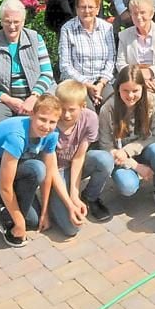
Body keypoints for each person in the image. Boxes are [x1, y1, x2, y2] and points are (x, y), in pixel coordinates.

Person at [0, 95, 62, 247]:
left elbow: (49, 173)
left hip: (12, 165)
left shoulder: (51, 135)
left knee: (33, 221)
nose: (46, 126)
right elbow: (5, 187)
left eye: (52, 122)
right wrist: (19, 223)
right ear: (31, 114)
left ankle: (6, 212)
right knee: (36, 169)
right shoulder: (17, 136)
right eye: (42, 119)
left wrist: (44, 212)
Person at [97, 65, 155, 215]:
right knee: (128, 187)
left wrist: (128, 151)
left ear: (143, 89)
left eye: (135, 91)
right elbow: (106, 147)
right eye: (125, 90)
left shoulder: (151, 101)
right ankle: (131, 176)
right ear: (118, 88)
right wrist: (135, 165)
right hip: (119, 158)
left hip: (142, 149)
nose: (130, 95)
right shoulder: (108, 109)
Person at [40, 80, 108, 235]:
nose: (66, 115)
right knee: (72, 229)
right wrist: (69, 204)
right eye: (62, 109)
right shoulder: (50, 125)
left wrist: (74, 196)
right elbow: (52, 168)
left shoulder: (90, 118)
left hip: (77, 164)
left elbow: (78, 158)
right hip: (55, 172)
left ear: (83, 106)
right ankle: (50, 199)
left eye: (71, 110)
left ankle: (89, 196)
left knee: (104, 160)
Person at [0, 0, 56, 127]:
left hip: (37, 94)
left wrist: (33, 97)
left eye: (16, 22)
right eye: (7, 21)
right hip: (3, 99)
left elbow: (47, 74)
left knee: (45, 117)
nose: (12, 26)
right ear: (1, 21)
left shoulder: (36, 39)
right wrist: (8, 100)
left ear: (23, 22)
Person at [58, 0, 116, 110]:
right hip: (76, 83)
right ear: (76, 9)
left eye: (91, 7)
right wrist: (88, 85)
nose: (87, 11)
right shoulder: (67, 29)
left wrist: (100, 84)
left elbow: (111, 60)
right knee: (86, 109)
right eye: (82, 7)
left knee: (112, 106)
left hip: (102, 83)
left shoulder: (107, 28)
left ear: (97, 9)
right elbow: (65, 66)